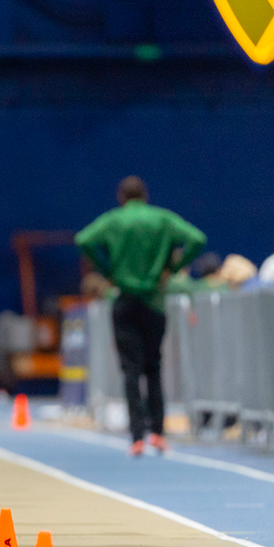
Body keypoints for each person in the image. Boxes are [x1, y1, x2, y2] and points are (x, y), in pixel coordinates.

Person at [75, 176, 205, 457]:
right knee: (154, 366)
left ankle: (136, 436)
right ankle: (158, 432)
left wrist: (107, 269)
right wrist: (173, 267)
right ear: (145, 195)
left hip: (123, 300)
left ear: (121, 197)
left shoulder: (114, 220)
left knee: (130, 370)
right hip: (154, 301)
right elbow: (197, 239)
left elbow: (83, 240)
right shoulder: (161, 219)